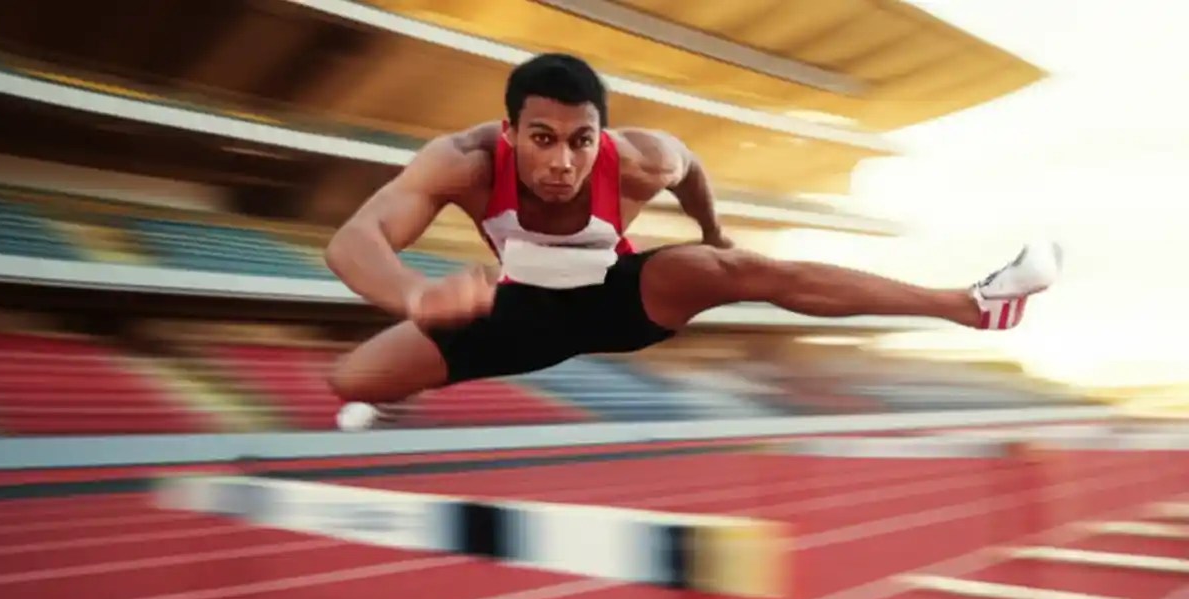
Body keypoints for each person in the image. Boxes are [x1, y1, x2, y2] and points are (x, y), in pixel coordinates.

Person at [324, 53, 1063, 430]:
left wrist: (713, 232)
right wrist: (418, 295)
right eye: (541, 140)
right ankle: (400, 396)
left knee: (733, 268)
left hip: (617, 300)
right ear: (509, 130)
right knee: (351, 382)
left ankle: (972, 302)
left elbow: (695, 170)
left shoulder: (642, 158)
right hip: (514, 309)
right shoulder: (463, 163)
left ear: (601, 137)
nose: (561, 163)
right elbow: (355, 240)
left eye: (581, 142)